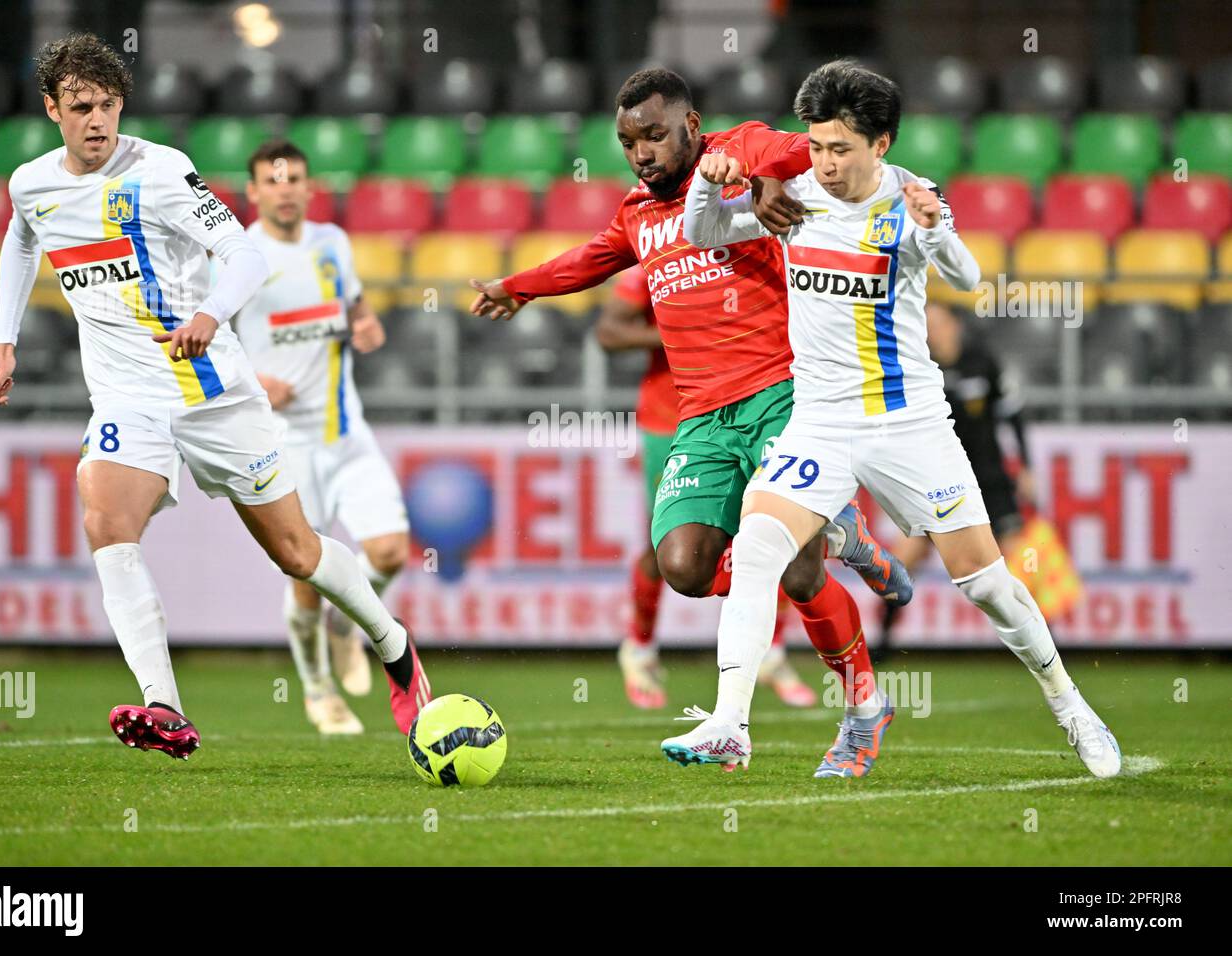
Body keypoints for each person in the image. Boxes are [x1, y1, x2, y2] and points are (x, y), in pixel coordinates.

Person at [0, 33, 429, 759]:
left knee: (296, 553)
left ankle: (395, 647)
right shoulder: (32, 183)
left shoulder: (161, 172)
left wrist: (211, 315)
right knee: (105, 519)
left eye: (109, 105)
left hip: (211, 389)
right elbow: (23, 238)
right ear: (51, 108)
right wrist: (5, 340)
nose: (97, 121)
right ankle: (166, 706)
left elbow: (243, 253)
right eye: (80, 106)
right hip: (128, 397)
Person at [674, 58, 1120, 779]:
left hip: (905, 424)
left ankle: (1071, 706)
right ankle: (729, 722)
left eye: (840, 149)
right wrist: (710, 179)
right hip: (817, 421)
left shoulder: (910, 199)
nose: (823, 163)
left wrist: (936, 229)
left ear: (881, 144)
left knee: (986, 585)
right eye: (816, 146)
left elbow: (970, 279)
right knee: (758, 548)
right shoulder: (789, 193)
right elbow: (702, 233)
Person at [470, 69, 911, 745]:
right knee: (681, 565)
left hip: (782, 396)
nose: (640, 152)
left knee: (795, 570)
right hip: (701, 416)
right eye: (627, 141)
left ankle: (862, 701)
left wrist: (761, 177)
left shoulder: (737, 149)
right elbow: (589, 259)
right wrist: (519, 287)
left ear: (692, 125)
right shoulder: (637, 214)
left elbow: (801, 150)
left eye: (653, 134)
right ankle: (833, 540)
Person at [232, 139, 412, 734]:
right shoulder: (236, 256)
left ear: (309, 187)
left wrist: (365, 324)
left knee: (389, 550)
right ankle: (317, 692)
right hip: (284, 440)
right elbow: (204, 341)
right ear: (253, 191)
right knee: (305, 574)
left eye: (295, 179)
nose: (286, 189)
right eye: (273, 180)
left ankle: (346, 624)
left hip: (346, 429)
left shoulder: (333, 242)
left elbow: (355, 308)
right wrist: (253, 379)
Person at [597, 266, 815, 709]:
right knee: (667, 547)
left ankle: (770, 651)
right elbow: (608, 332)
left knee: (775, 531)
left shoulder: (757, 248)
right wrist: (681, 333)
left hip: (760, 409)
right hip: (674, 419)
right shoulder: (662, 257)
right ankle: (638, 649)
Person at [877, 301, 1038, 659]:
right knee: (902, 563)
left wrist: (1026, 467)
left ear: (954, 324)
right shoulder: (918, 368)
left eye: (938, 322)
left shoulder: (982, 361)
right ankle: (882, 645)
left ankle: (1043, 643)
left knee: (1020, 562)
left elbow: (1012, 415)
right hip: (938, 483)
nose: (933, 330)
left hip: (990, 481)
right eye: (926, 324)